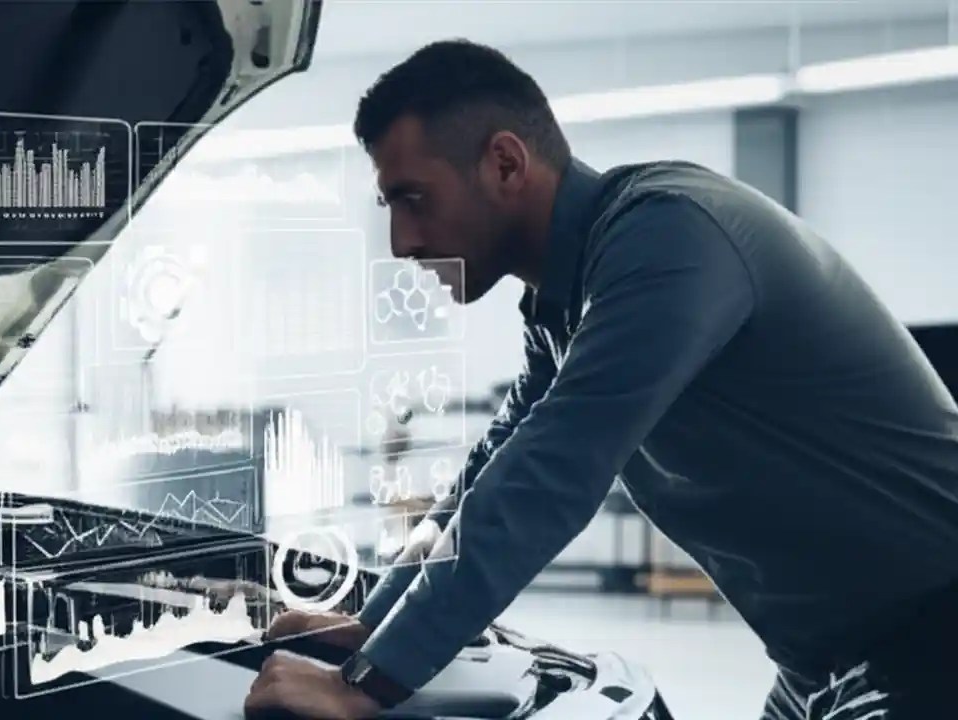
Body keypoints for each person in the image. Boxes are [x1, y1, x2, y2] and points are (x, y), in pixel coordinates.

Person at [243, 39, 958, 720]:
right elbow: (490, 474)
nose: (402, 242)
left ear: (504, 163)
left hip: (933, 632)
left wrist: (369, 686)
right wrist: (372, 626)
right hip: (821, 662)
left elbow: (552, 473)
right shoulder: (563, 302)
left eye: (414, 199)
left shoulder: (669, 236)